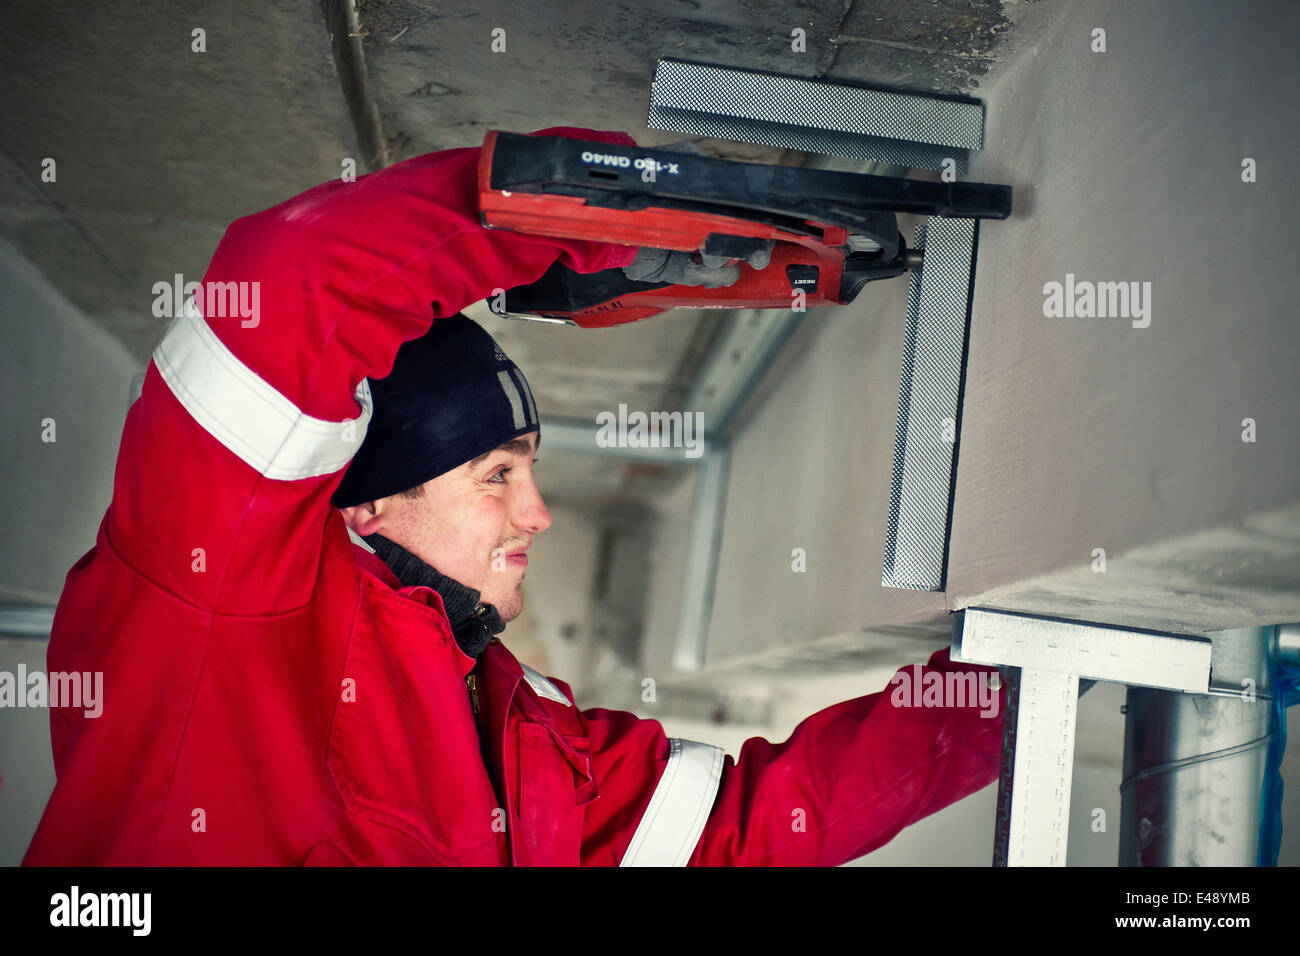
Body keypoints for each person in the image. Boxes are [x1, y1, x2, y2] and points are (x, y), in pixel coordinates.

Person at [23, 126, 1004, 866]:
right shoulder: (220, 611)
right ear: (365, 506)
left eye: (524, 469)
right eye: (497, 472)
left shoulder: (518, 725)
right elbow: (286, 284)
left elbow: (741, 829)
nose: (537, 513)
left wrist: (995, 694)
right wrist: (580, 224)